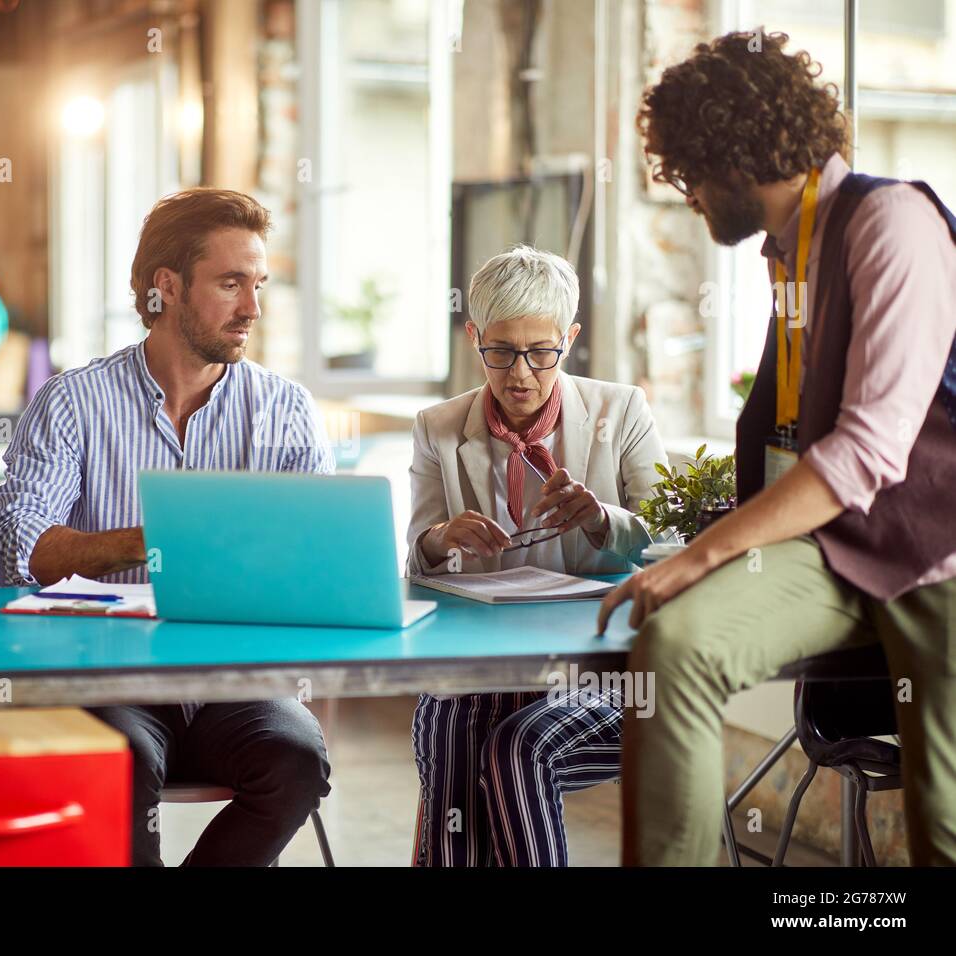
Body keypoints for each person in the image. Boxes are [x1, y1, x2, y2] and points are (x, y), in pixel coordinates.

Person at [607, 29, 956, 865]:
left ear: (731, 153)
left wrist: (703, 554)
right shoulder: (787, 252)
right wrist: (717, 550)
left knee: (944, 823)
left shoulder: (892, 220)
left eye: (689, 170)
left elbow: (870, 446)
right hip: (838, 544)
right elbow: (792, 436)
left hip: (937, 546)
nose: (687, 193)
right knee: (676, 651)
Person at [0, 188, 333, 866]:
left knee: (296, 761)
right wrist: (157, 542)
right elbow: (14, 550)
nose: (252, 309)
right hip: (113, 681)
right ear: (165, 288)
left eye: (257, 285)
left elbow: (316, 561)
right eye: (231, 283)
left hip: (234, 683)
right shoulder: (74, 402)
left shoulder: (287, 409)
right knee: (118, 765)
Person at [407, 245, 669, 865]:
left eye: (540, 353)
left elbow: (671, 544)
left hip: (607, 668)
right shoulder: (438, 428)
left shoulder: (621, 410)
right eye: (499, 352)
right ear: (474, 338)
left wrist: (606, 521)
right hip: (494, 661)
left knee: (513, 747)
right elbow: (417, 563)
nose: (519, 373)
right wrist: (443, 539)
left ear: (570, 340)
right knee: (446, 723)